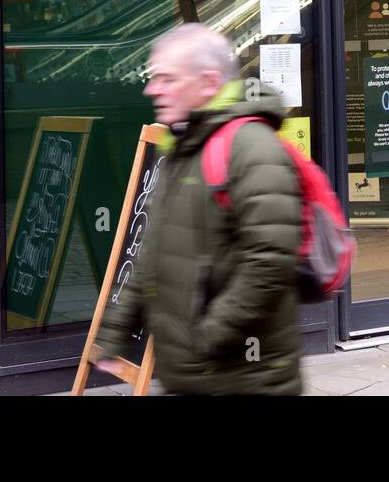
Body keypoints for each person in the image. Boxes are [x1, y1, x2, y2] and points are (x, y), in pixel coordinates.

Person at [92, 23, 304, 395]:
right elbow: (154, 250)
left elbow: (270, 261)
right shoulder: (185, 144)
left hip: (247, 379)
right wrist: (115, 332)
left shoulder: (252, 147)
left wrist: (205, 336)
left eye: (166, 78)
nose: (151, 89)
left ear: (207, 83)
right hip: (198, 377)